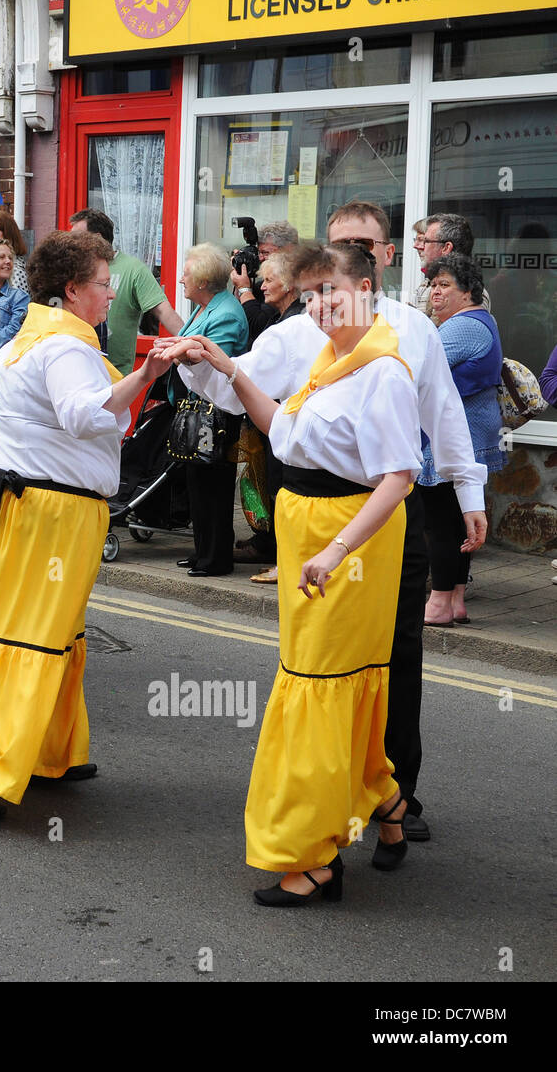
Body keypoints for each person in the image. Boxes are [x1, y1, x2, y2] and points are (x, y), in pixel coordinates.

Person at [168, 199, 489, 846]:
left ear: (382, 260)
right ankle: (350, 797)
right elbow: (258, 403)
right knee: (326, 669)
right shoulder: (300, 335)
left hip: (381, 518)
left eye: (361, 246)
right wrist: (203, 363)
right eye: (337, 245)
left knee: (391, 662)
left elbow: (441, 416)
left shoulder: (406, 338)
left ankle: (392, 794)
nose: (344, 260)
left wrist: (468, 488)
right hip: (312, 518)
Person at [169, 242, 422, 905]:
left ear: (366, 287)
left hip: (347, 543)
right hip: (309, 529)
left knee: (319, 684)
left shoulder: (384, 372)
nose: (318, 307)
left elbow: (399, 478)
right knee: (331, 683)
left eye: (330, 292)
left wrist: (337, 550)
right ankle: (385, 803)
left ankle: (315, 859)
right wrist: (229, 368)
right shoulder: (329, 357)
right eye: (310, 296)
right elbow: (284, 434)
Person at [0, 230, 175, 819]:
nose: (110, 293)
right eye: (103, 284)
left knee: (41, 629)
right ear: (72, 291)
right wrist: (146, 373)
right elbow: (80, 415)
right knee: (36, 635)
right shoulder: (69, 348)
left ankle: (49, 752)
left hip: (26, 503)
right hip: (56, 511)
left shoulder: (31, 334)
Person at [418, 254, 505, 627]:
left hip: (454, 439)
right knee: (459, 522)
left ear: (467, 291)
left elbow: (417, 367)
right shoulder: (480, 321)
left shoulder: (463, 327)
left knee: (440, 521)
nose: (435, 293)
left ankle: (437, 604)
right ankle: (454, 601)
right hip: (472, 435)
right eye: (433, 285)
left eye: (444, 286)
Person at [171, 242, 249, 577]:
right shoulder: (205, 307)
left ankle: (216, 558)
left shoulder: (227, 312)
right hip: (197, 407)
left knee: (213, 483)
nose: (181, 280)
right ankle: (202, 550)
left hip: (217, 412)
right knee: (197, 480)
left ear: (203, 281)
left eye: (186, 274)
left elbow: (217, 360)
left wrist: (179, 351)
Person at [234, 247, 304, 582]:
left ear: (290, 285)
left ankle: (286, 562)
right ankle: (283, 558)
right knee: (276, 489)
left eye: (270, 280)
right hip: (276, 418)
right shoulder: (283, 317)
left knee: (282, 490)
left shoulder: (293, 322)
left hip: (284, 418)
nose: (262, 285)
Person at [69, 208, 182, 369]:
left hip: (116, 376)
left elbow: (163, 311)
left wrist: (189, 343)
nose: (71, 243)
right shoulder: (73, 269)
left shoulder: (133, 269)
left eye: (76, 237)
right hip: (78, 369)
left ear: (97, 238)